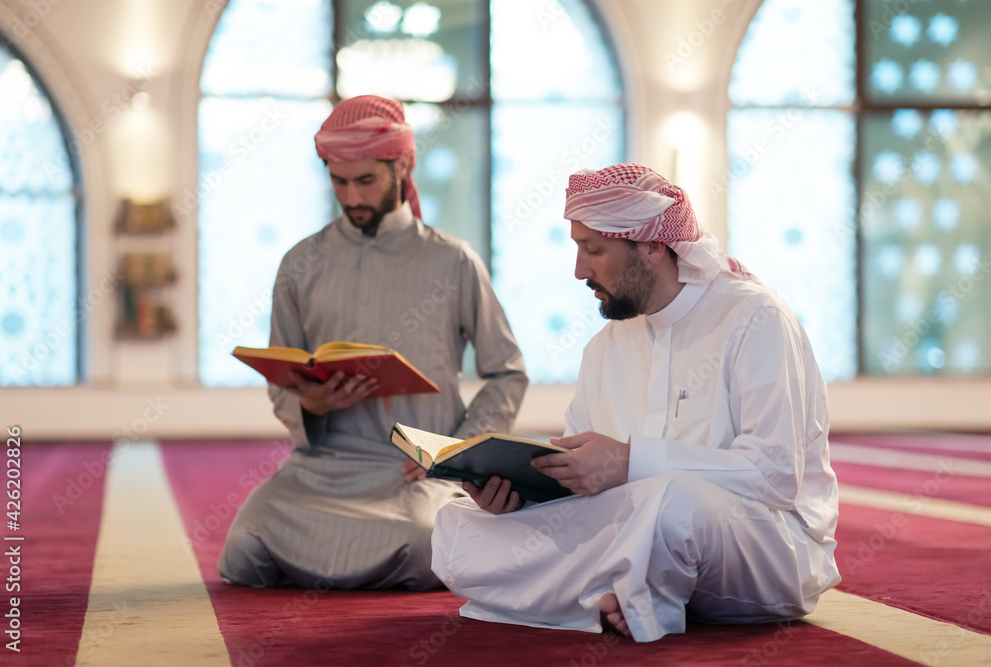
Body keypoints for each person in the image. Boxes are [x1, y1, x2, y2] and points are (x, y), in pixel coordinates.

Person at [431, 163, 839, 641]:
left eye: (594, 250)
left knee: (673, 504)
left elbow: (775, 476)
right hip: (635, 533)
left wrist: (630, 462)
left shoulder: (755, 319)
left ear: (651, 247)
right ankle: (627, 593)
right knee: (458, 527)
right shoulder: (604, 348)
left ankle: (614, 593)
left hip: (763, 546)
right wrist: (519, 500)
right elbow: (583, 488)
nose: (580, 271)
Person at [218, 95, 528, 591]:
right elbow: (282, 382)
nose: (352, 197)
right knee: (245, 548)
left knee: (425, 542)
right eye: (339, 182)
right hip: (318, 471)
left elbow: (507, 372)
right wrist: (311, 405)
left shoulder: (454, 261)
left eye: (366, 180)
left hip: (411, 473)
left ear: (403, 166)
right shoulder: (300, 263)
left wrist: (456, 452)